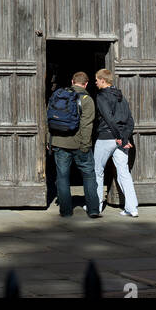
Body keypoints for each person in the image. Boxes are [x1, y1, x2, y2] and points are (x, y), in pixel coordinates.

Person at [49, 71, 100, 218]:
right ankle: (93, 209)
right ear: (86, 84)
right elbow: (87, 125)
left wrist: (49, 141)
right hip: (79, 144)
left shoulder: (58, 95)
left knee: (62, 177)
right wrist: (85, 145)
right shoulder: (87, 99)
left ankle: (65, 211)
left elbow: (49, 119)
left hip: (59, 142)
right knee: (89, 175)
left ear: (72, 81)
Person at [93, 68, 139, 217]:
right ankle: (132, 208)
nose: (95, 82)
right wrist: (124, 138)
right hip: (121, 139)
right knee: (124, 172)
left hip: (106, 137)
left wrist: (119, 137)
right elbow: (130, 120)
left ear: (103, 80)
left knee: (97, 171)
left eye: (96, 80)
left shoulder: (101, 96)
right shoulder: (121, 96)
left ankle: (96, 206)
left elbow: (108, 118)